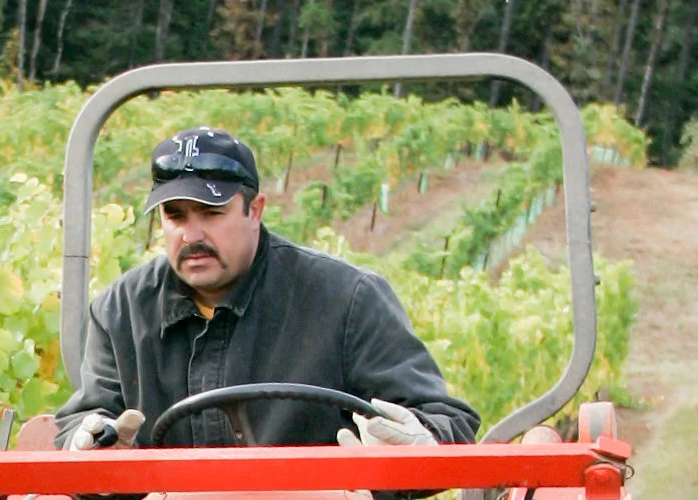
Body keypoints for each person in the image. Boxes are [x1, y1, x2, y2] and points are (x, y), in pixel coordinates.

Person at [57, 125, 478, 459]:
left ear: (254, 210)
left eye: (211, 213)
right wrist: (89, 443)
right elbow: (84, 422)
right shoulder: (121, 311)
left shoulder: (347, 300)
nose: (191, 234)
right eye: (175, 215)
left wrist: (419, 440)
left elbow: (445, 421)